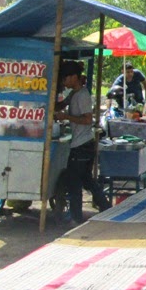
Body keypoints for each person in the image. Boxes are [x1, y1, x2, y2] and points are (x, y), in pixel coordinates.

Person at [53, 60, 110, 223]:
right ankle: (106, 207)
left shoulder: (83, 96)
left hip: (81, 145)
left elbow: (87, 119)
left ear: (74, 77)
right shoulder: (74, 94)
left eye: (65, 78)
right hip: (84, 144)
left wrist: (66, 116)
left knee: (74, 183)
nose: (64, 82)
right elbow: (61, 105)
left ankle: (77, 218)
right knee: (87, 180)